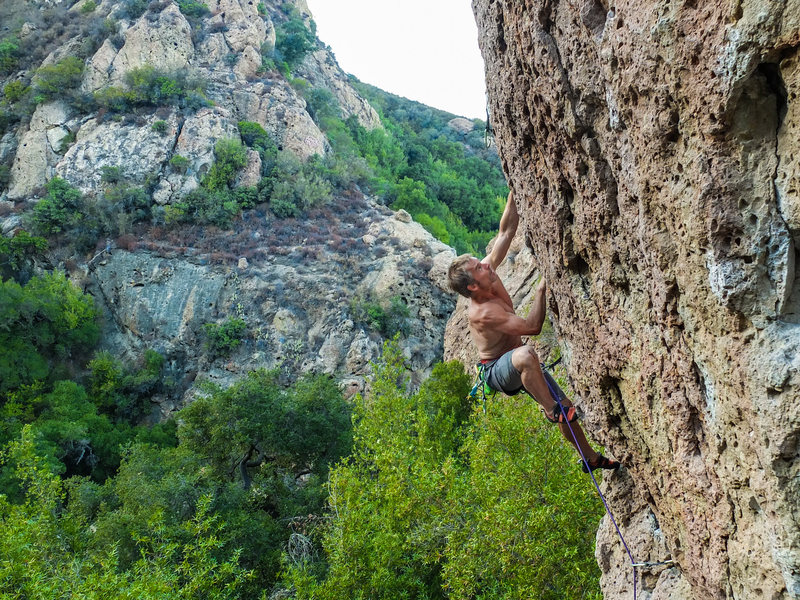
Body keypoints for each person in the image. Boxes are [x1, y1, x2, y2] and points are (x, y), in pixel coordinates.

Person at [447, 190, 620, 473]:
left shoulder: (487, 272)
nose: (484, 263)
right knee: (528, 357)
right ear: (473, 287)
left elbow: (506, 231)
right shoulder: (484, 313)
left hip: (517, 362)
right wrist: (542, 289)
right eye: (477, 267)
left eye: (479, 261)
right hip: (498, 370)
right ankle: (551, 410)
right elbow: (533, 327)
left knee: (566, 408)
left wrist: (514, 193)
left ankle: (589, 457)